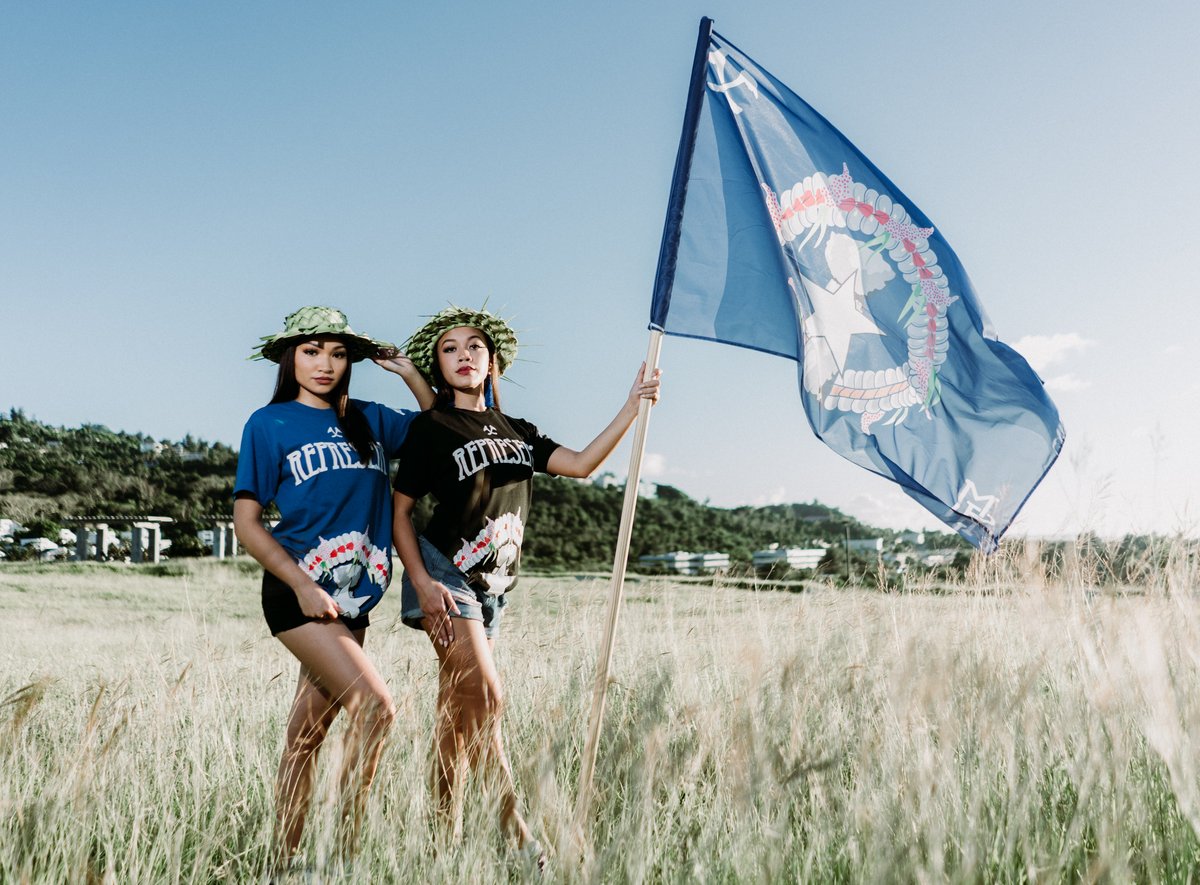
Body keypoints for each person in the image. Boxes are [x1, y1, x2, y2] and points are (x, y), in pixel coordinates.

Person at [391, 306, 661, 865]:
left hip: (494, 589)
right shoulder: (431, 428)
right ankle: (518, 835)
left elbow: (584, 464)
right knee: (488, 698)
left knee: (459, 715)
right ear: (439, 367)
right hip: (445, 576)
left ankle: (441, 844)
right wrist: (421, 583)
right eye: (450, 349)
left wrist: (633, 406)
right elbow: (400, 515)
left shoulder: (520, 431)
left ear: (493, 363)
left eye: (474, 347)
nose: (464, 355)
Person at [232, 305, 435, 867]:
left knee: (306, 739)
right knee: (376, 710)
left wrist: (410, 373)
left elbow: (440, 431)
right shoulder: (268, 424)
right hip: (300, 592)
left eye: (339, 353)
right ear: (288, 357)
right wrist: (300, 584)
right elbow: (247, 523)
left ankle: (282, 864)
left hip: (354, 598)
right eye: (312, 350)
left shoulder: (370, 418)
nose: (325, 363)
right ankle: (340, 859)